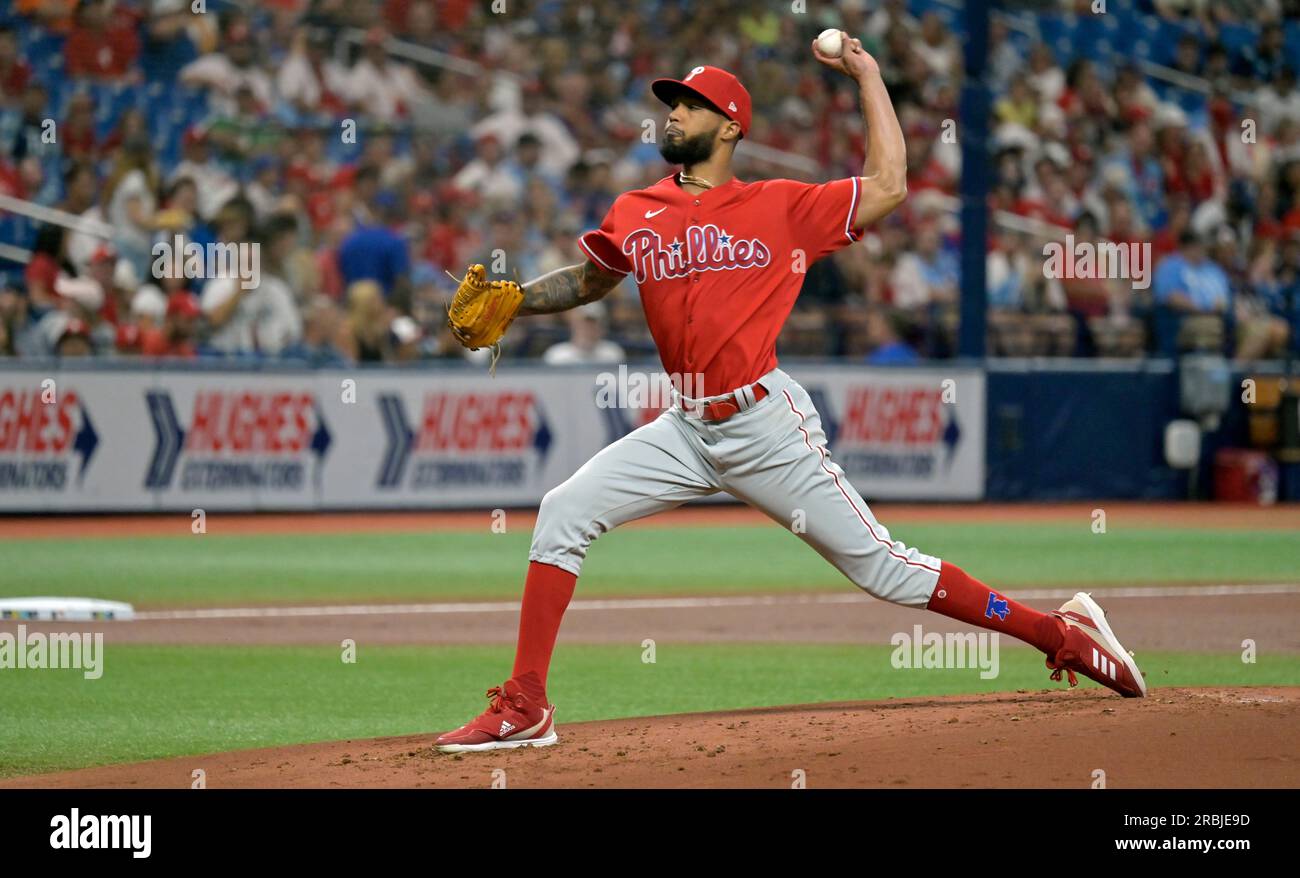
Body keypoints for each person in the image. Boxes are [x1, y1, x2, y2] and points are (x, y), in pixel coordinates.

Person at [435, 39, 1147, 754]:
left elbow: (890, 183)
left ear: (732, 127)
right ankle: (526, 704)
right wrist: (518, 302)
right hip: (682, 429)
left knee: (884, 570)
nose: (673, 114)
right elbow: (594, 279)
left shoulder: (782, 207)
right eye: (670, 104)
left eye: (689, 104)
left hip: (764, 425)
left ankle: (1059, 632)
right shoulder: (637, 208)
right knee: (564, 511)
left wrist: (869, 73)